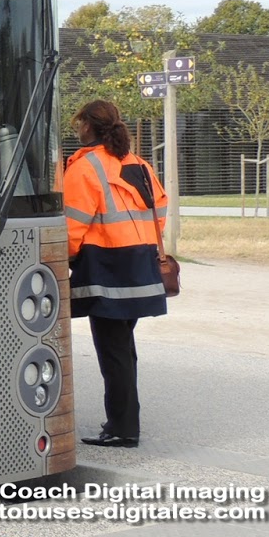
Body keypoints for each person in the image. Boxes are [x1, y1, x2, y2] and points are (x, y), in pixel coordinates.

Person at [65, 99, 168, 448]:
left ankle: (123, 429)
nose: (77, 130)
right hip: (140, 265)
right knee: (123, 349)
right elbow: (161, 208)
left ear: (89, 127)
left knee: (114, 352)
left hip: (107, 270)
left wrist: (66, 257)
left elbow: (71, 228)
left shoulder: (84, 168)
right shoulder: (137, 163)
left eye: (79, 124)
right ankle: (123, 421)